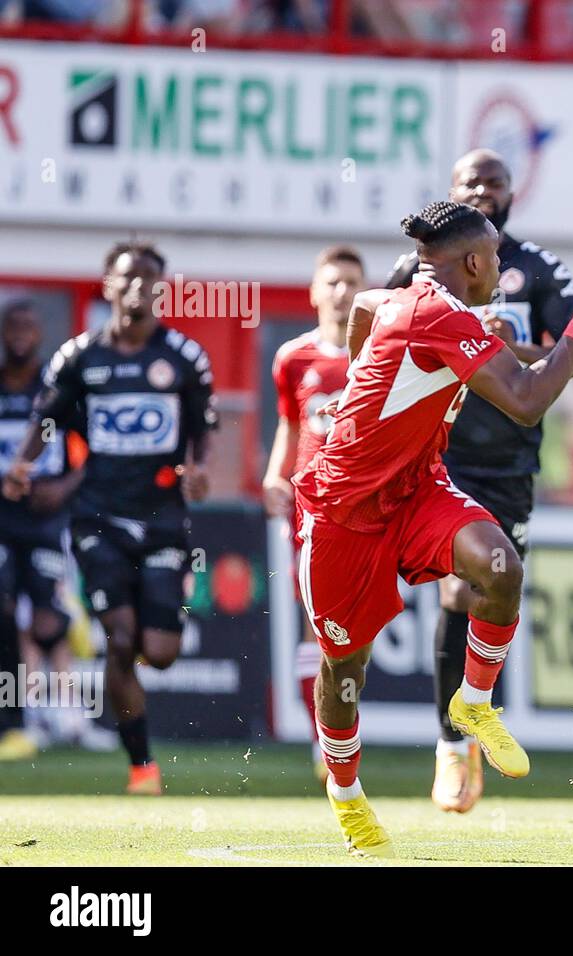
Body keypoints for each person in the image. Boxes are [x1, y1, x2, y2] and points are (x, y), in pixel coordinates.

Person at [293, 200, 573, 857]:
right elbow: (529, 403)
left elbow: (364, 310)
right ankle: (346, 794)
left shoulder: (412, 297)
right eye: (496, 256)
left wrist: (366, 376)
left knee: (499, 565)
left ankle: (473, 702)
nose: (502, 266)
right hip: (344, 511)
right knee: (344, 669)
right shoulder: (437, 313)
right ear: (473, 263)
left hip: (419, 487)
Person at [386, 148, 573, 814]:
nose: (483, 190)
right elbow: (378, 345)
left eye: (494, 182)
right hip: (433, 457)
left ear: (511, 193)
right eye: (469, 182)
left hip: (508, 461)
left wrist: (499, 348)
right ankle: (450, 746)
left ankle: (467, 725)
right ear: (450, 191)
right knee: (456, 592)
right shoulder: (415, 271)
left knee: (486, 594)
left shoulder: (534, 271)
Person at [2, 242, 217, 794]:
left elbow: (203, 428)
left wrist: (198, 468)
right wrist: (24, 463)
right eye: (129, 278)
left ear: (161, 288)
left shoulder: (183, 357)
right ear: (108, 285)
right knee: (120, 641)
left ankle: (146, 652)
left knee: (160, 653)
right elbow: (47, 417)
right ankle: (142, 768)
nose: (140, 288)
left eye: (151, 279)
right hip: (97, 515)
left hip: (164, 516)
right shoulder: (79, 357)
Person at [263, 245, 365, 784]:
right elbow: (290, 423)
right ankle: (324, 742)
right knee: (316, 628)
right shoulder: (293, 357)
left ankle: (338, 725)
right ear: (314, 291)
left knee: (352, 637)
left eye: (352, 281)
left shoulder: (381, 355)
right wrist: (275, 476)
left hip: (370, 509)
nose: (342, 291)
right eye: (332, 281)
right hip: (312, 507)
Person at [0, 301, 85, 759]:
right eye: (11, 326)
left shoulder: (54, 389)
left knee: (49, 617)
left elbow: (93, 450)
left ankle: (67, 713)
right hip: (2, 519)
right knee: (6, 610)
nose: (19, 335)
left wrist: (64, 489)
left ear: (38, 335)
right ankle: (18, 716)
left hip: (48, 519)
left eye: (27, 327)